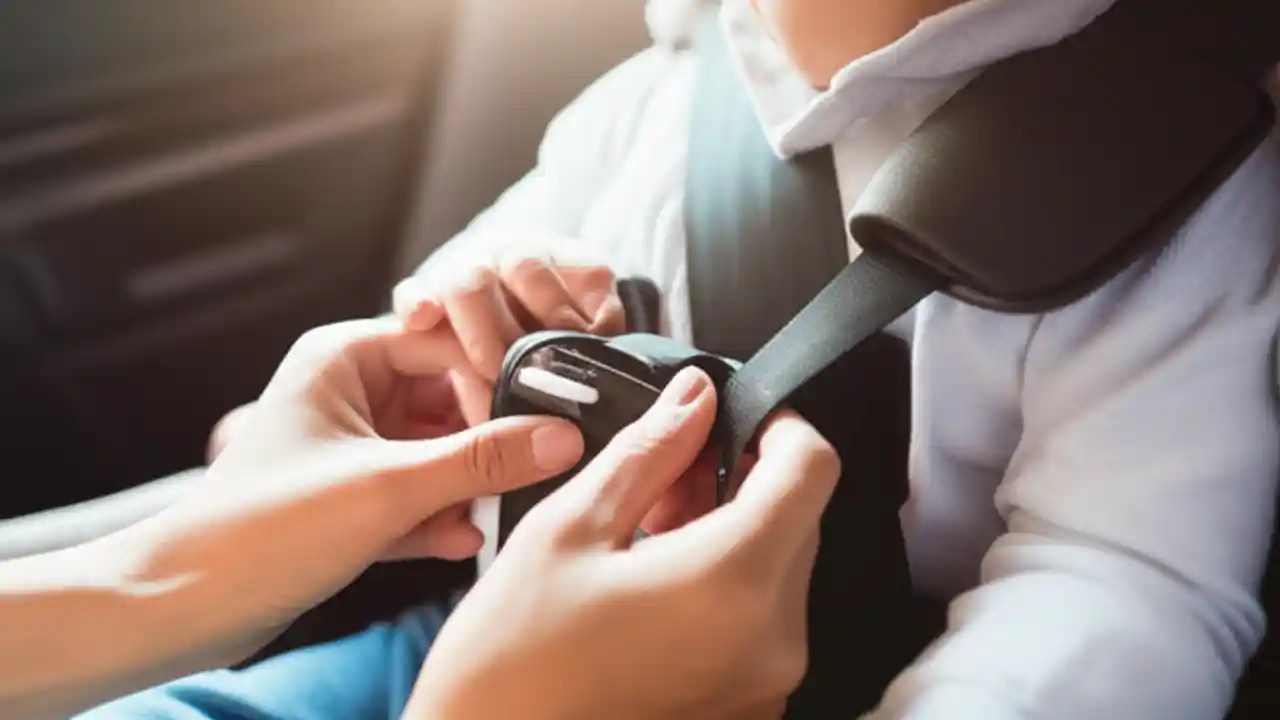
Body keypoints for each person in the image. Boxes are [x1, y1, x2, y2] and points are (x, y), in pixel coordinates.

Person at [86, 0, 1280, 717]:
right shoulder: (660, 91)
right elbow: (463, 306)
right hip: (486, 640)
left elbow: (1120, 584)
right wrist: (422, 371)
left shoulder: (1159, 172)